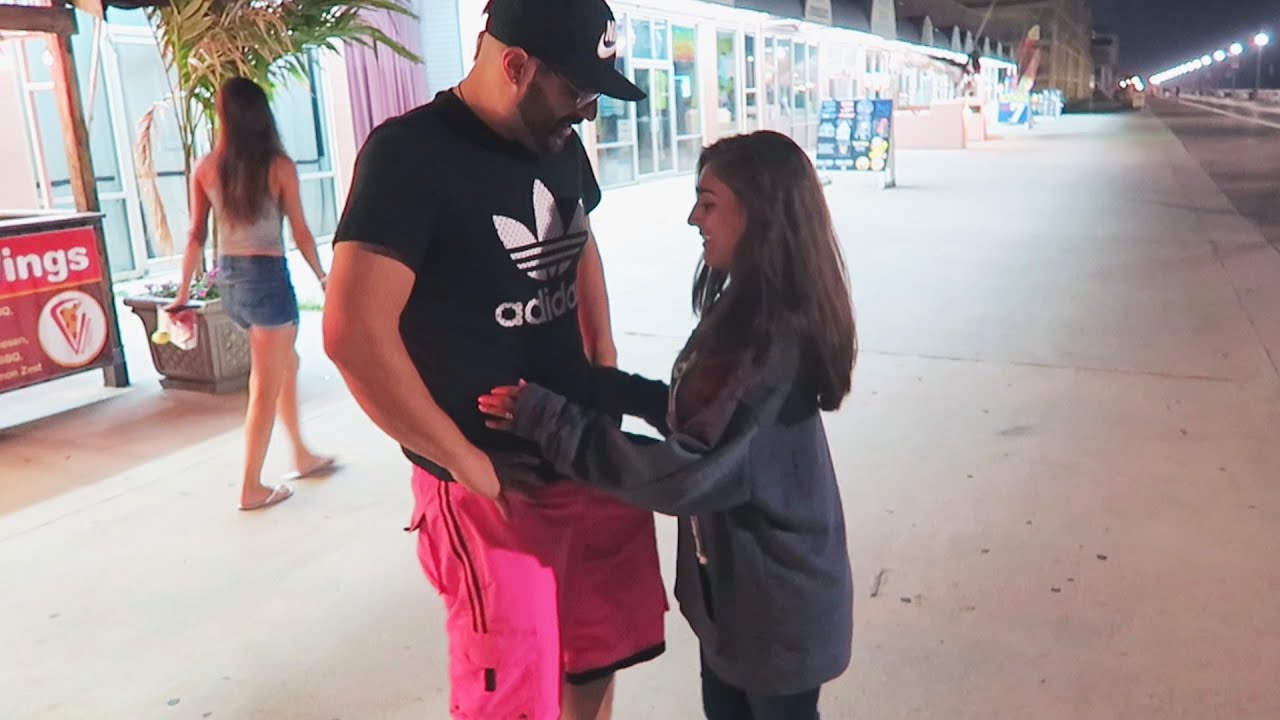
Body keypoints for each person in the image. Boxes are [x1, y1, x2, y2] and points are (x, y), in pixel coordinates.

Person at [321, 0, 666, 717]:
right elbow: (354, 333)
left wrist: (601, 359)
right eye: (578, 91)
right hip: (493, 488)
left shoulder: (558, 144)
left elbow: (580, 240)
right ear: (515, 65)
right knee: (514, 693)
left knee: (598, 652)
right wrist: (462, 463)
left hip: (584, 450)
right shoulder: (409, 155)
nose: (589, 111)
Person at [480, 131, 857, 720]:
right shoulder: (742, 310)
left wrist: (551, 422)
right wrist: (609, 388)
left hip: (776, 613)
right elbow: (704, 421)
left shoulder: (769, 346)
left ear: (758, 211)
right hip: (737, 605)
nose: (692, 217)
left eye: (708, 202)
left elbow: (686, 474)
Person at [169, 77, 333, 512]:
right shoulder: (278, 166)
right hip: (266, 279)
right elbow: (299, 232)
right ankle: (251, 486)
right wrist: (323, 277)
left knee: (287, 363)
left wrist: (185, 293)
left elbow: (195, 237)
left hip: (231, 282)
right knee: (263, 386)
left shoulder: (206, 168)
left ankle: (300, 452)